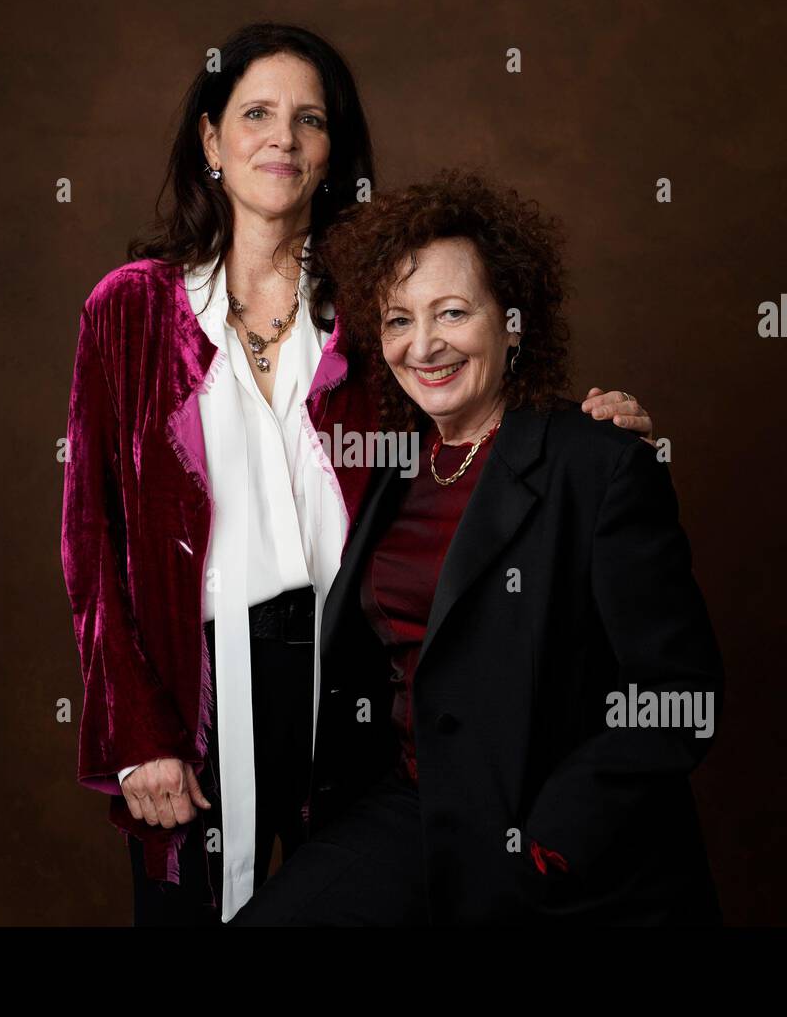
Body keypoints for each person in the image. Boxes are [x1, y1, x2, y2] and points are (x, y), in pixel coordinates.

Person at [60, 23, 657, 927]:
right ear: (211, 140)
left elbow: (469, 391)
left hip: (361, 681)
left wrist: (584, 429)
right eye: (256, 113)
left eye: (311, 119)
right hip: (197, 691)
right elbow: (90, 540)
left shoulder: (373, 308)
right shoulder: (131, 310)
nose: (283, 138)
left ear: (335, 152)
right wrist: (135, 736)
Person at [230, 170, 723, 925]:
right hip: (411, 813)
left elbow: (680, 693)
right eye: (398, 319)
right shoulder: (393, 465)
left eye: (453, 312)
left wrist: (555, 838)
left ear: (512, 323)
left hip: (550, 841)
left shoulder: (597, 462)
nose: (423, 344)